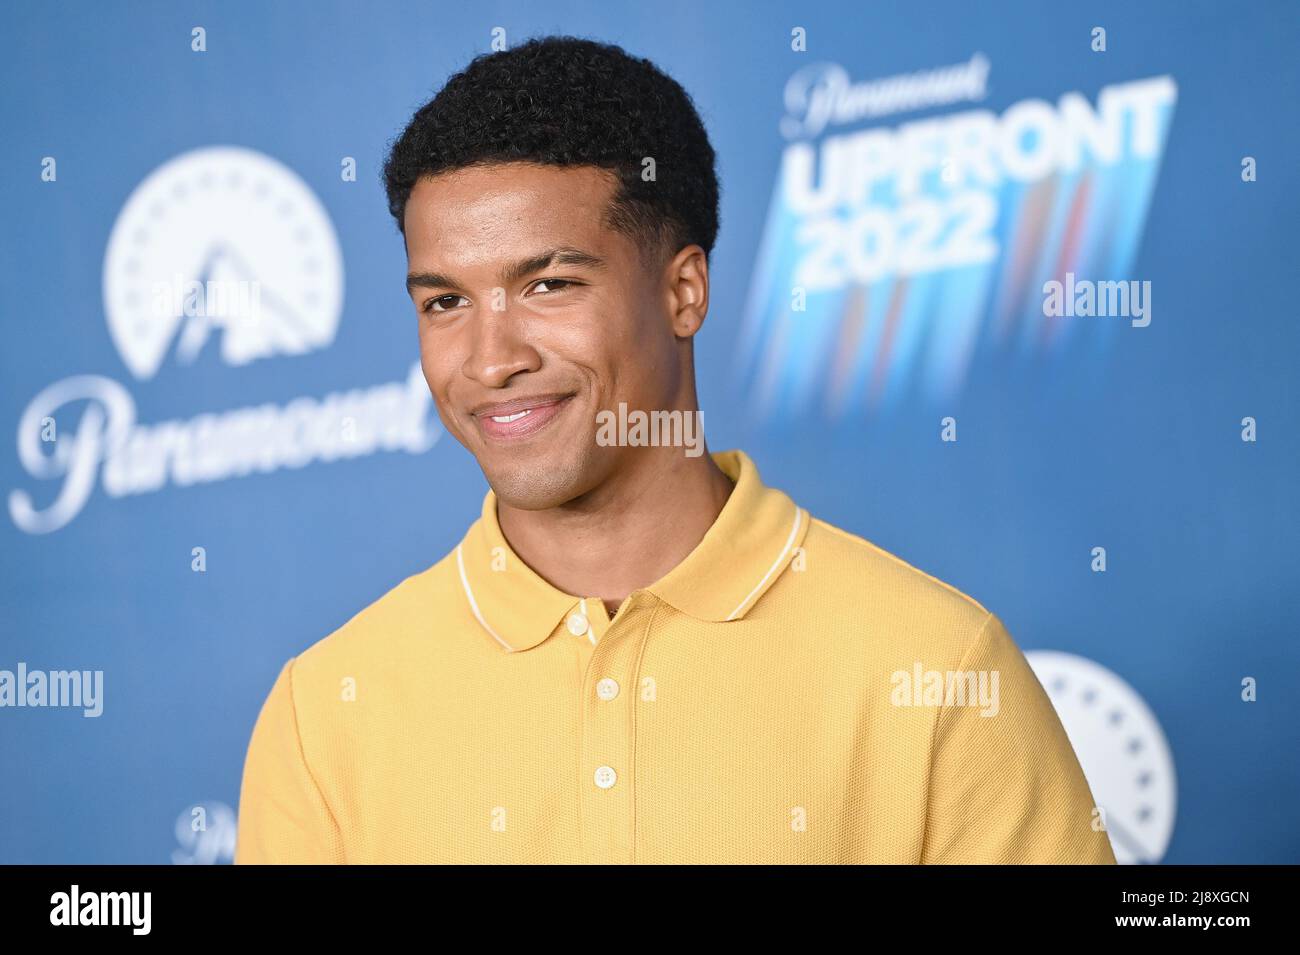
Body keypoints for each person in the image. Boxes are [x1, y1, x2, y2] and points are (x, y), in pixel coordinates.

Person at [235, 36, 1116, 864]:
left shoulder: (941, 668)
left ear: (685, 291)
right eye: (444, 303)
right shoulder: (326, 712)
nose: (492, 359)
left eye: (548, 285)